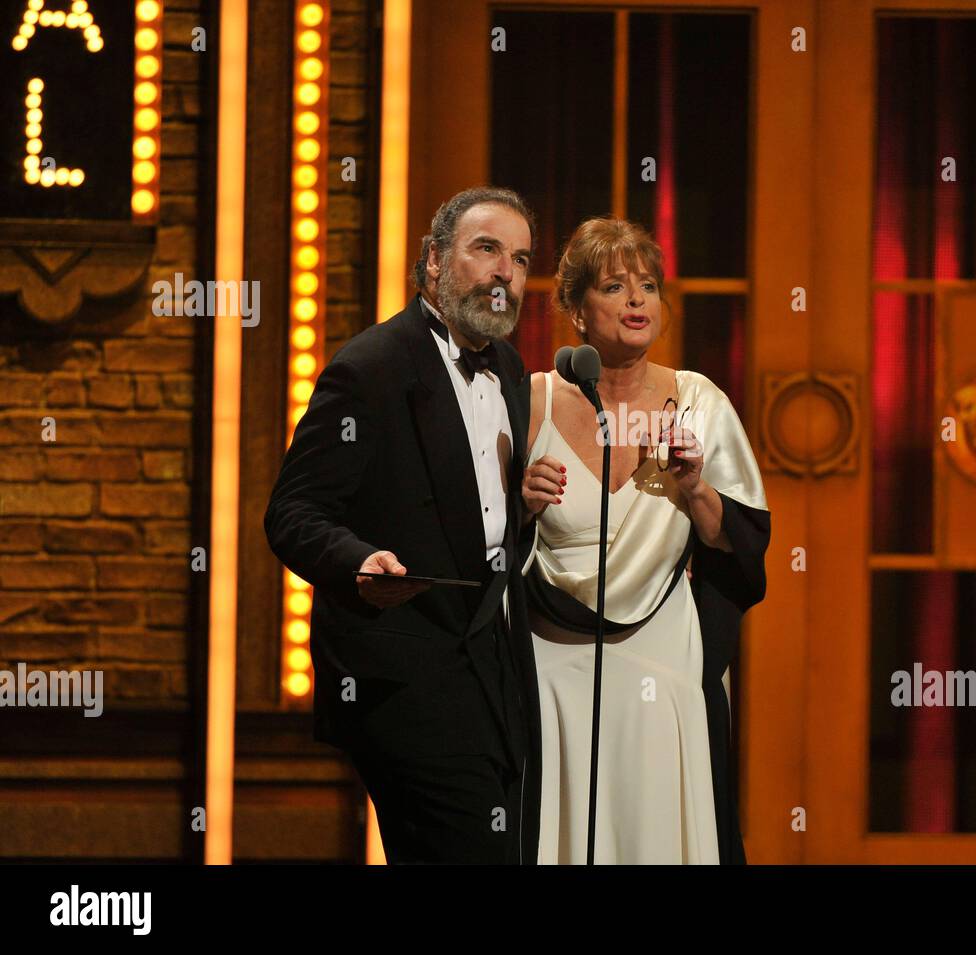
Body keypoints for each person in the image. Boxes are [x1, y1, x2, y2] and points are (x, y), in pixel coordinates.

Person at [264, 186, 542, 864]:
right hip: (402, 672)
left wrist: (527, 503)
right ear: (432, 264)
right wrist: (357, 559)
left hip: (488, 674)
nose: (507, 272)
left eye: (522, 258)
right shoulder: (372, 368)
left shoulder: (508, 368)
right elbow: (293, 511)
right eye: (486, 250)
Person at [520, 216, 770, 864]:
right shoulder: (532, 404)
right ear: (576, 308)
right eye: (613, 286)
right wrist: (522, 506)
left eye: (649, 286)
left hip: (664, 664)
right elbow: (480, 539)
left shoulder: (700, 403)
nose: (637, 301)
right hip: (552, 668)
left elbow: (741, 548)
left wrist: (695, 489)